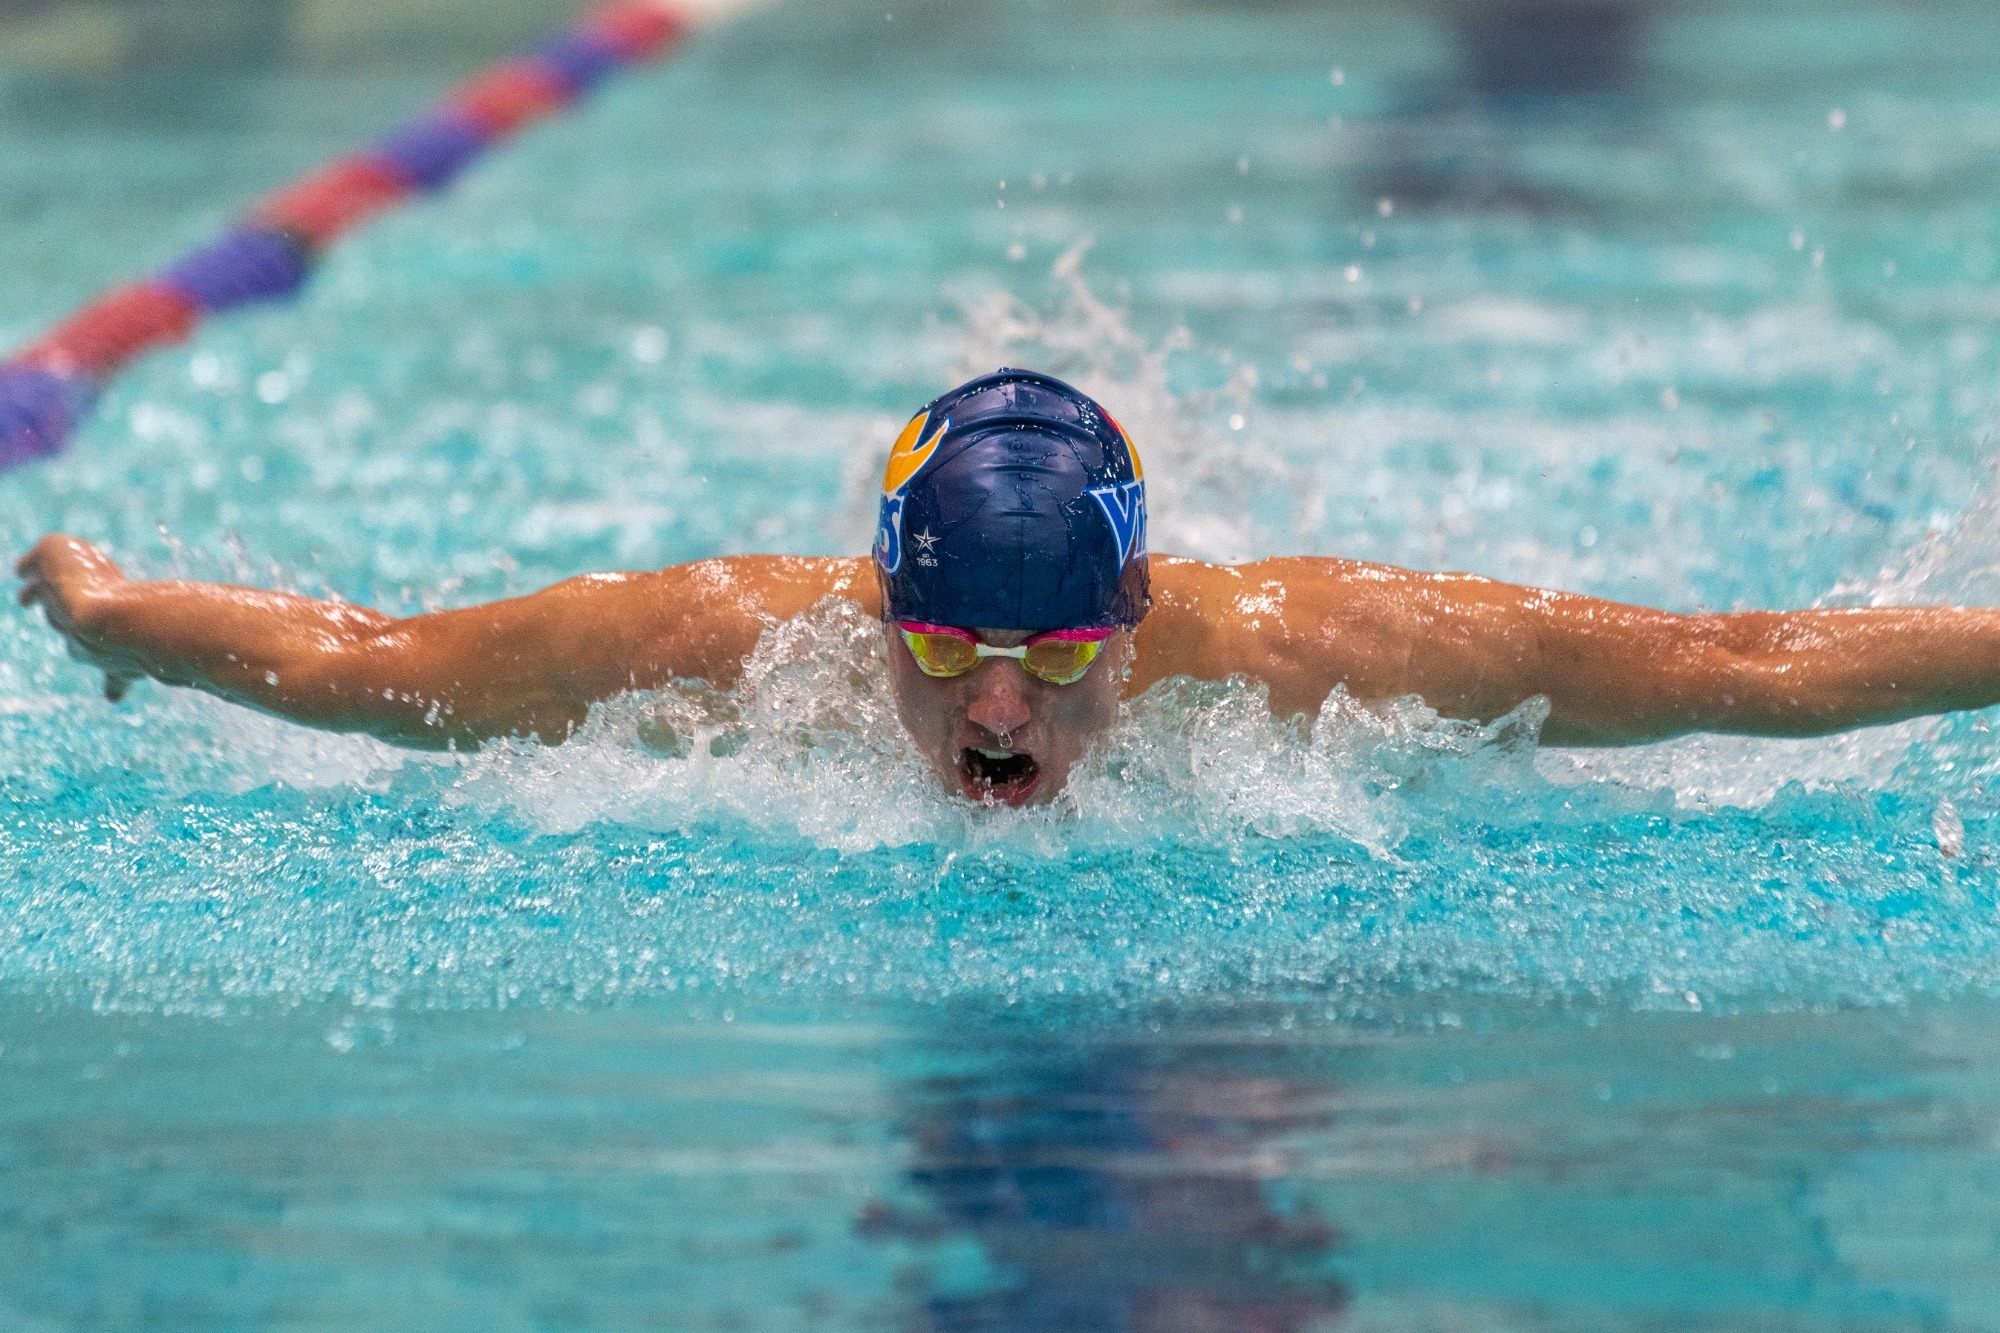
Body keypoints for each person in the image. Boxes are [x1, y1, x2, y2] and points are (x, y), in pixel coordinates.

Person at [18, 368, 2000, 807]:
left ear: (1139, 624)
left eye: (1058, 663)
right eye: (947, 652)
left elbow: (1738, 661)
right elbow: (376, 666)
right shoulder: (734, 649)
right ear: (869, 611)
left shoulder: (1307, 658)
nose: (993, 717)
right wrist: (110, 618)